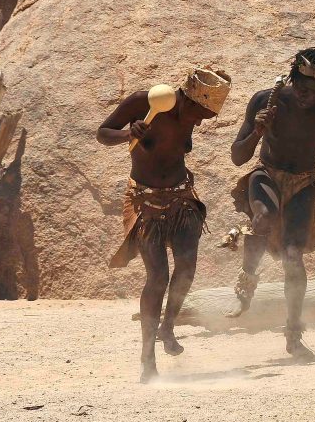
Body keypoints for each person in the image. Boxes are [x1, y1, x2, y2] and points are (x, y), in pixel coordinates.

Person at [98, 67, 230, 383]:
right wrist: (128, 134)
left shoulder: (189, 114)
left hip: (182, 199)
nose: (199, 123)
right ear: (188, 98)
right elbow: (102, 133)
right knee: (158, 276)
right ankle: (147, 359)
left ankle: (167, 326)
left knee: (186, 267)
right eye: (199, 115)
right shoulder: (143, 102)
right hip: (145, 201)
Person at [229, 49, 315, 359]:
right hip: (266, 172)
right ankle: (246, 284)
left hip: (303, 181)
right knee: (262, 218)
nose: (308, 97)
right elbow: (237, 156)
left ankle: (293, 335)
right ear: (292, 78)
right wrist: (257, 131)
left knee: (292, 256)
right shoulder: (266, 100)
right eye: (302, 88)